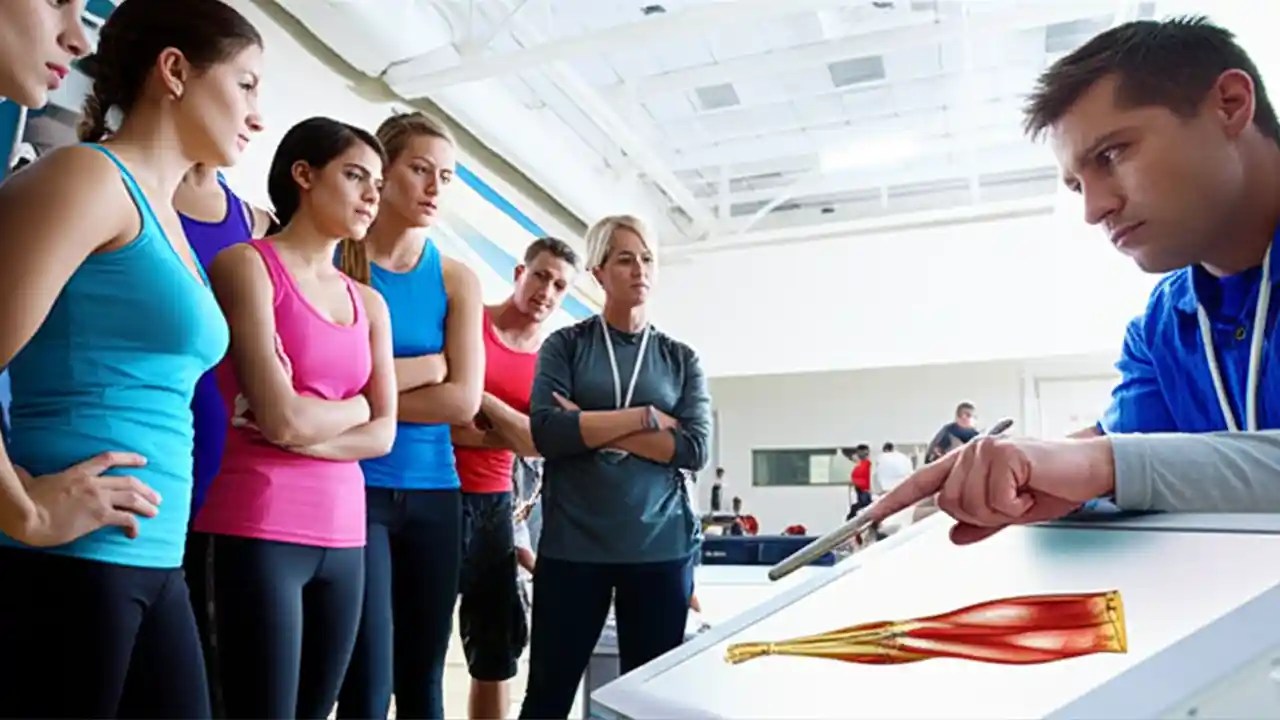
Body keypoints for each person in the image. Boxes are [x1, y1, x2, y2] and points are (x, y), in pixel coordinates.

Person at [0, 0, 263, 716]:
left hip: (152, 558)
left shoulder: (169, 217)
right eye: (246, 84)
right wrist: (22, 508)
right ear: (174, 71)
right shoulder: (86, 179)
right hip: (71, 561)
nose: (257, 113)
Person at [192, 117, 398, 719]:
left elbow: (382, 432)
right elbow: (281, 419)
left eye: (377, 185)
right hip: (255, 524)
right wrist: (350, 411)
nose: (370, 196)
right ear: (303, 175)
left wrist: (325, 417)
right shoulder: (246, 266)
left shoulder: (369, 301)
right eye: (356, 176)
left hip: (345, 535)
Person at [519, 214, 712, 720]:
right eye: (625, 259)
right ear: (599, 272)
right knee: (546, 699)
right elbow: (547, 433)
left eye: (647, 259)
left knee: (649, 706)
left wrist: (587, 422)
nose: (639, 269)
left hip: (658, 548)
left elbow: (693, 447)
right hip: (572, 546)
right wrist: (647, 419)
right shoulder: (566, 346)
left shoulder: (680, 358)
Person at [335, 110, 485, 720]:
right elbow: (320, 384)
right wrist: (426, 368)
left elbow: (463, 402)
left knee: (422, 679)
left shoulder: (456, 278)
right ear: (382, 171)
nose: (433, 188)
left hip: (435, 493)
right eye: (419, 170)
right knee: (366, 680)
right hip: (355, 486)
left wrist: (366, 399)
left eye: (444, 177)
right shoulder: (340, 262)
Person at [450, 236, 579, 719]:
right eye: (541, 275)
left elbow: (534, 442)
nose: (547, 290)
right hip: (434, 493)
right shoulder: (469, 322)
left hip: (493, 506)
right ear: (519, 272)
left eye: (560, 285)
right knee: (408, 643)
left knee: (495, 651)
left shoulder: (550, 362)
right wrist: (507, 430)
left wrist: (478, 399)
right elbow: (438, 414)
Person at [174, 160, 275, 718]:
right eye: (244, 85)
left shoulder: (248, 217)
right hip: (138, 451)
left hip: (216, 459)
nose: (255, 114)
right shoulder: (108, 181)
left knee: (205, 671)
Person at [866, 431, 1280, 544]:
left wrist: (1104, 463)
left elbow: (1115, 454)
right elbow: (1121, 431)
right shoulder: (1161, 323)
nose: (1095, 212)